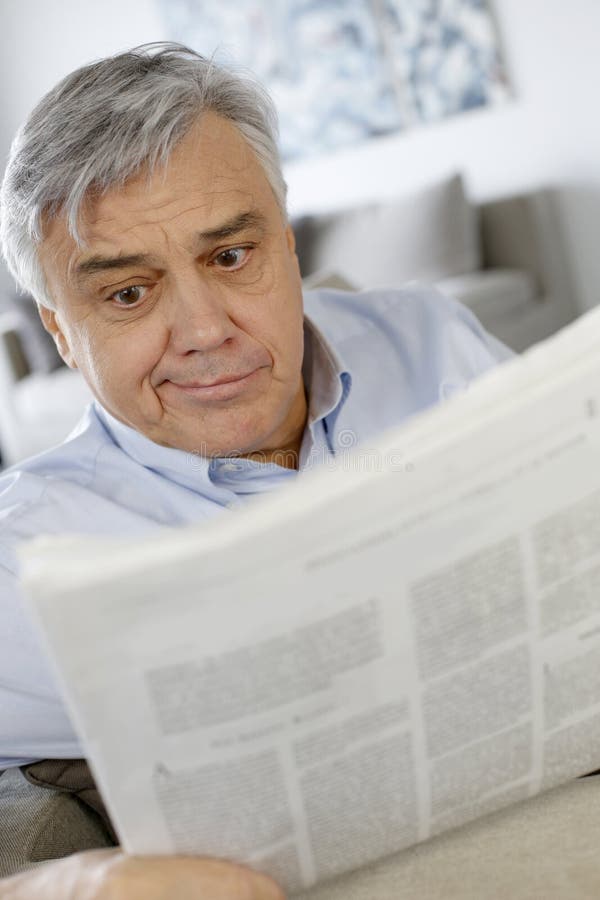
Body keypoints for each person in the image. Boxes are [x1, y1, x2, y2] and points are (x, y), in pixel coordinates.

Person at [0, 43, 512, 897]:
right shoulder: (26, 556)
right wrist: (71, 884)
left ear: (285, 238)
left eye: (231, 256)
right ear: (60, 331)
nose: (204, 330)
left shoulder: (433, 340)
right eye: (128, 293)